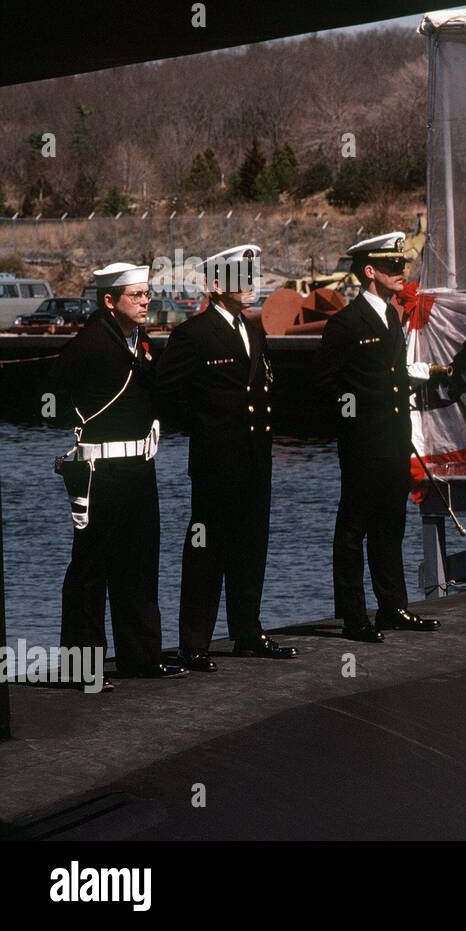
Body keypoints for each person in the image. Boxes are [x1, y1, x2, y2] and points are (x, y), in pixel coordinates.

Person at [156, 244, 296, 672]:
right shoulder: (193, 335)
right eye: (242, 278)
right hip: (217, 462)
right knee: (206, 550)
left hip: (255, 458)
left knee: (251, 546)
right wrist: (205, 425)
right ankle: (194, 642)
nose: (252, 286)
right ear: (218, 285)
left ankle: (247, 633)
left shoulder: (253, 329)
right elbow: (166, 392)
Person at [52, 262, 188, 685]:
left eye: (148, 294)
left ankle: (142, 656)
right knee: (91, 569)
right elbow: (53, 395)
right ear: (110, 301)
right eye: (137, 295)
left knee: (139, 563)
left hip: (138, 467)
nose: (147, 301)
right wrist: (75, 422)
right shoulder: (91, 343)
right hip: (99, 470)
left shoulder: (139, 342)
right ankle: (81, 668)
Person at [318, 231, 439, 643]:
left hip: (392, 439)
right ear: (370, 272)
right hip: (363, 443)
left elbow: (390, 377)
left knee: (391, 526)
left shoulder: (390, 317)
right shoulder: (345, 323)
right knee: (353, 531)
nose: (400, 271)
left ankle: (393, 606)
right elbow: (327, 386)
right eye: (392, 266)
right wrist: (356, 418)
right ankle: (353, 616)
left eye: (401, 265)